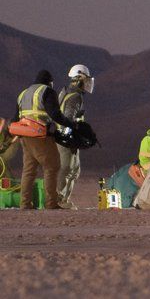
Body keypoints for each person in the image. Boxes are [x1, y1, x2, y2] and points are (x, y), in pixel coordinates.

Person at [13, 70, 78, 209]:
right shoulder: (47, 91)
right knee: (52, 167)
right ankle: (51, 203)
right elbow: (55, 114)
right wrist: (70, 124)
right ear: (50, 81)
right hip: (40, 135)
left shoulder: (23, 94)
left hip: (25, 137)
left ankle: (25, 203)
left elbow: (15, 118)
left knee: (29, 171)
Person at [56, 64, 94, 209]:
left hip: (64, 137)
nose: (87, 83)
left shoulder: (65, 92)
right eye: (85, 79)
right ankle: (59, 199)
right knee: (67, 168)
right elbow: (68, 117)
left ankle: (62, 199)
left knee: (74, 169)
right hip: (67, 139)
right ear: (79, 79)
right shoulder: (75, 96)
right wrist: (73, 134)